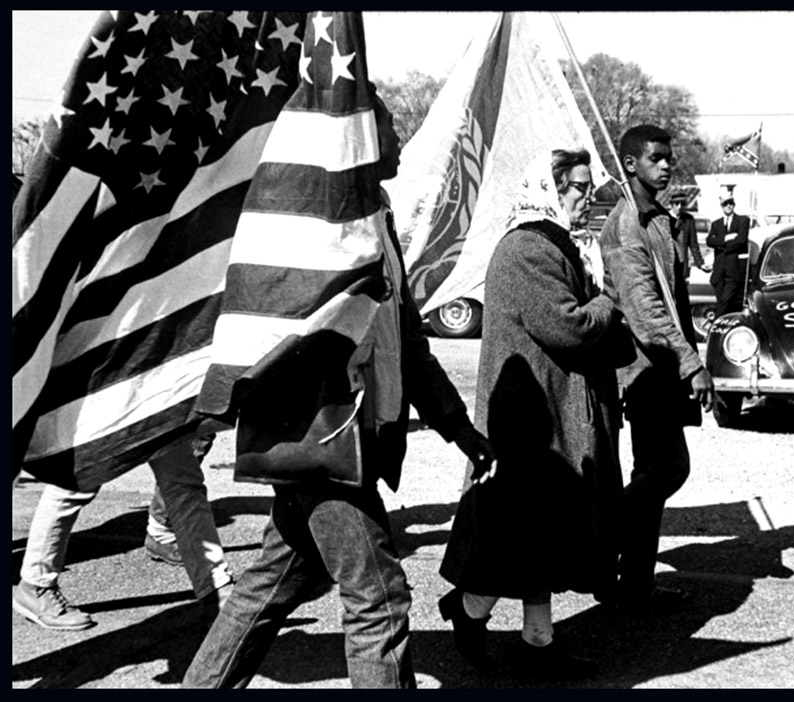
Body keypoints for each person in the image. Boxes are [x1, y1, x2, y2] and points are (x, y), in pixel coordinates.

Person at [181, 88, 494, 690]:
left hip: (350, 444)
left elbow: (407, 341)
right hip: (319, 440)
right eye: (388, 130)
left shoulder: (378, 218)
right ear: (356, 145)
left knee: (271, 584)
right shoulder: (317, 229)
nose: (401, 140)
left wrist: (458, 428)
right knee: (380, 598)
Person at [438, 149, 631, 680]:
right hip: (527, 422)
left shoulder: (555, 244)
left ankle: (535, 637)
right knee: (518, 535)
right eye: (576, 186)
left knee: (536, 535)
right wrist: (609, 301)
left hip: (549, 411)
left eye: (590, 187)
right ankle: (472, 609)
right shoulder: (528, 248)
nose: (586, 196)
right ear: (549, 188)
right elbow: (567, 326)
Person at [598, 124, 714, 613]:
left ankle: (634, 587)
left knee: (652, 473)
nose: (667, 165)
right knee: (669, 468)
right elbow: (645, 311)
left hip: (663, 364)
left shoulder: (657, 218)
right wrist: (691, 364)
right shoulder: (627, 224)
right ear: (630, 164)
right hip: (645, 369)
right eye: (656, 159)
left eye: (670, 158)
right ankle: (598, 534)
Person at [13, 433, 233, 631]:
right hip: (118, 400)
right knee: (78, 481)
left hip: (160, 400)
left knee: (184, 484)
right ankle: (36, 583)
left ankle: (217, 591)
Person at [705, 193, 750, 317]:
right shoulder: (716, 224)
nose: (728, 206)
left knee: (725, 301)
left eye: (731, 203)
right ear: (722, 206)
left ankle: (715, 323)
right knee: (723, 303)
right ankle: (724, 326)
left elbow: (741, 241)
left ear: (734, 205)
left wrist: (721, 246)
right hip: (719, 271)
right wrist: (725, 238)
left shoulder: (742, 220)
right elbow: (709, 241)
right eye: (726, 204)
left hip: (733, 270)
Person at [667, 191, 705, 274]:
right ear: (672, 205)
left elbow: (693, 244)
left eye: (683, 204)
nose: (680, 207)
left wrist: (700, 263)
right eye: (677, 204)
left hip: (682, 263)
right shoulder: (665, 218)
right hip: (667, 263)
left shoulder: (688, 219)